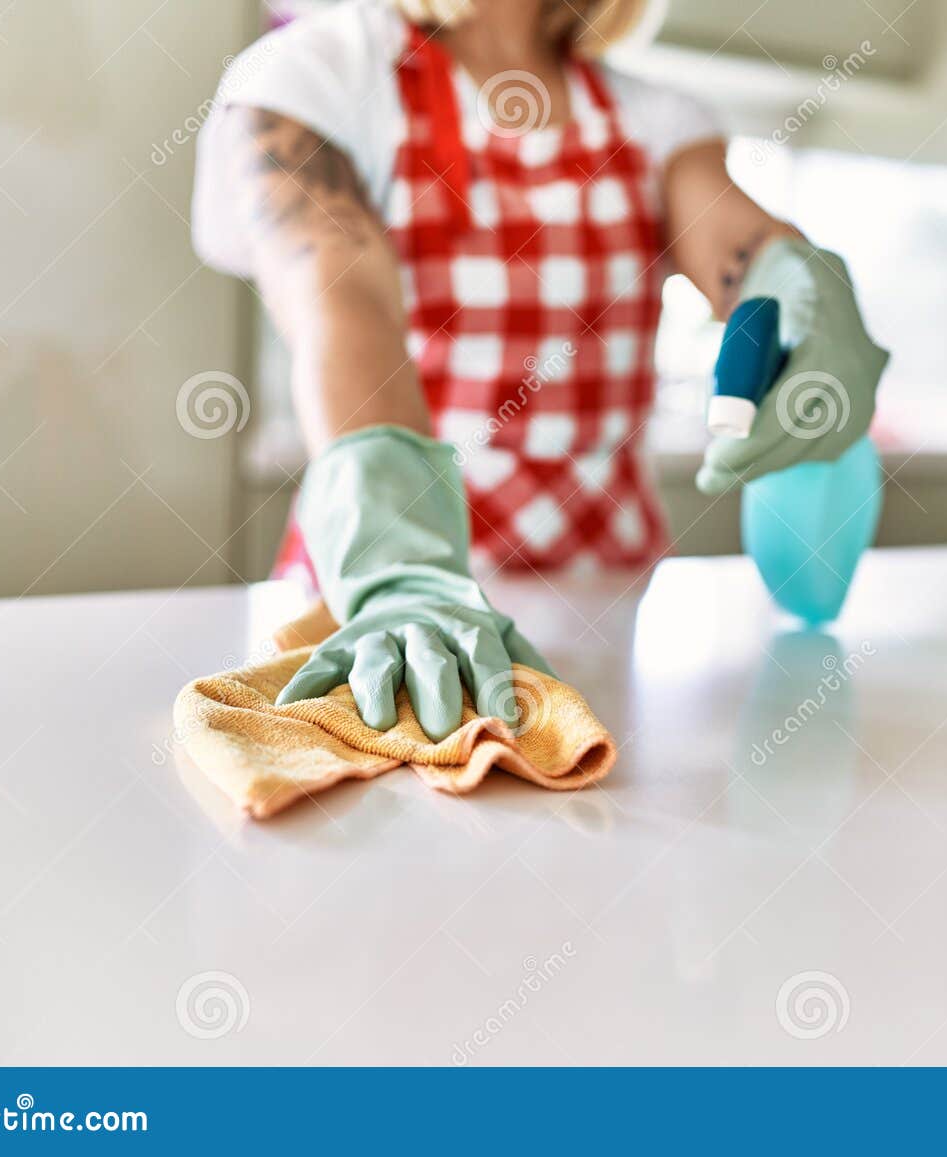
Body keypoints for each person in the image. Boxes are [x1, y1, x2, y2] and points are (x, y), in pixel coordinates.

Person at [191, 0, 887, 738]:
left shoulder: (656, 120)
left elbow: (741, 251)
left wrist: (802, 288)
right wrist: (401, 571)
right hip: (376, 606)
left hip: (609, 611)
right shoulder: (316, 73)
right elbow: (339, 293)